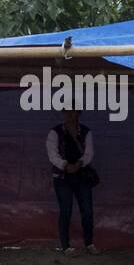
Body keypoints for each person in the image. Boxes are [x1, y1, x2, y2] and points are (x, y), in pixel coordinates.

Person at [47, 108, 98, 255]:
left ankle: (89, 243)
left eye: (73, 111)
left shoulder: (86, 131)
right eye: (67, 111)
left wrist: (80, 164)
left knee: (87, 211)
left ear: (79, 113)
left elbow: (89, 153)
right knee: (66, 210)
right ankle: (66, 246)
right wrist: (65, 165)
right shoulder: (55, 132)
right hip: (62, 176)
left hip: (81, 175)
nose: (70, 114)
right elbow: (52, 154)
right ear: (63, 113)